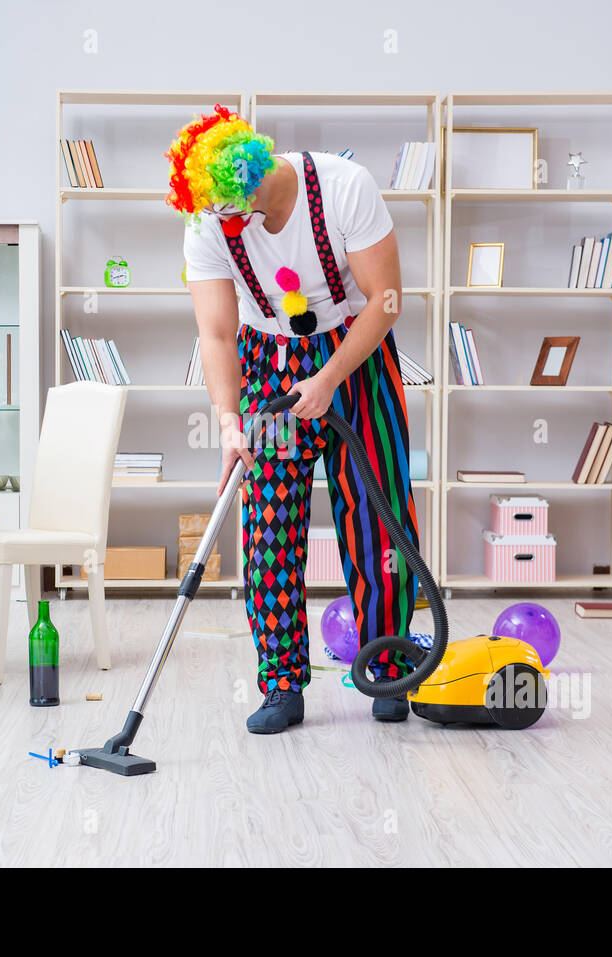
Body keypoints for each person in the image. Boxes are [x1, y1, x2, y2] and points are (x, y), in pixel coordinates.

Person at [169, 105, 420, 733]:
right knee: (270, 526)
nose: (216, 223)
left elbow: (386, 301)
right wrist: (229, 421)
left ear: (250, 182)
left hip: (354, 353)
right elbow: (218, 333)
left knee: (376, 515)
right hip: (265, 363)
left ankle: (389, 670)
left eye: (225, 209)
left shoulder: (341, 189)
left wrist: (329, 378)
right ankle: (282, 684)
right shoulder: (206, 224)